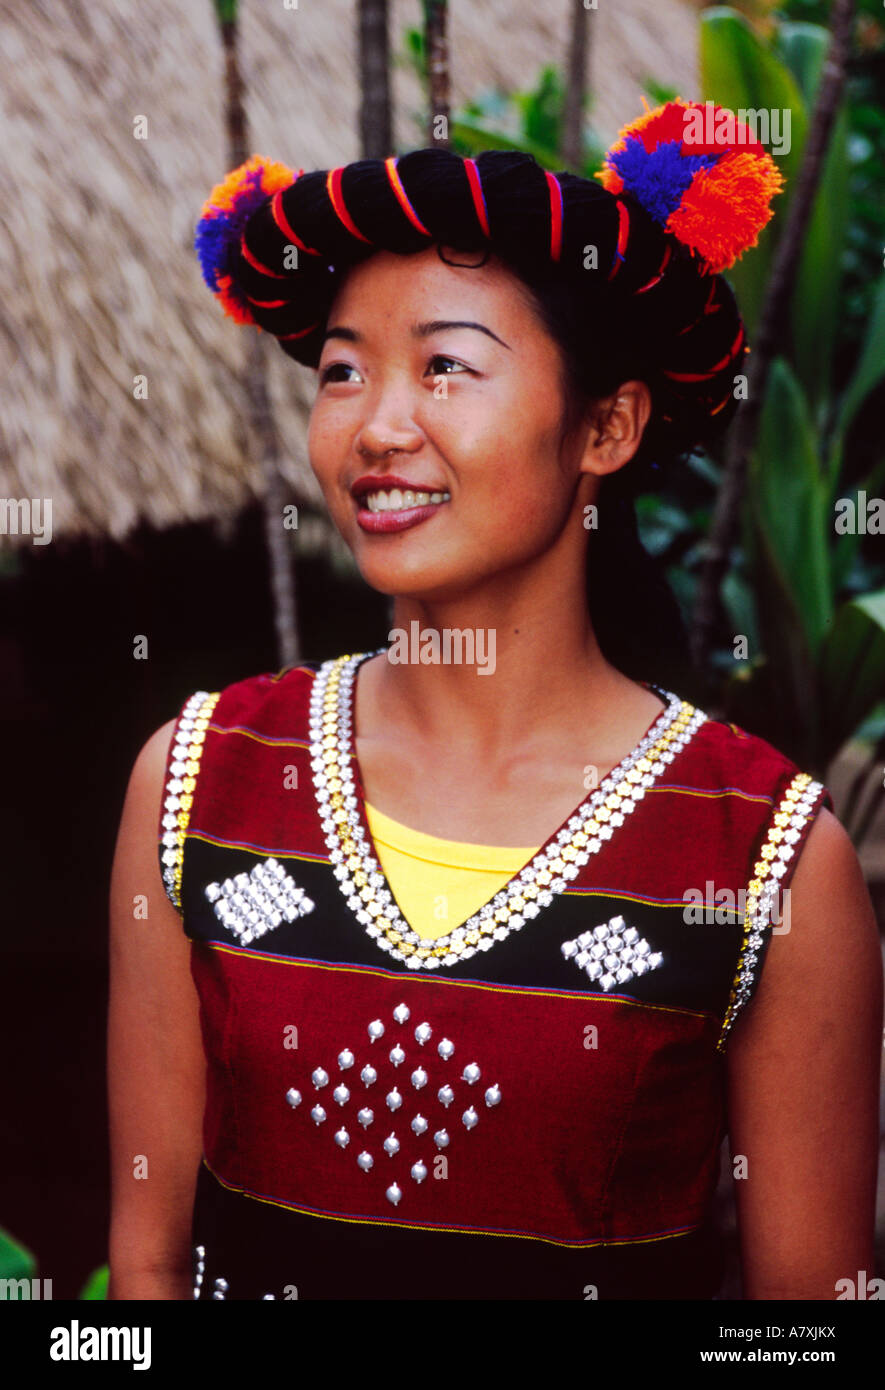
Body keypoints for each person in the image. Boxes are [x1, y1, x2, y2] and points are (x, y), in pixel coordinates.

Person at [107, 101, 881, 1300]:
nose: (377, 427)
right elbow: (144, 1280)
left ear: (607, 427)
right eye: (344, 371)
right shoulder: (200, 779)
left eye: (446, 367)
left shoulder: (767, 854)